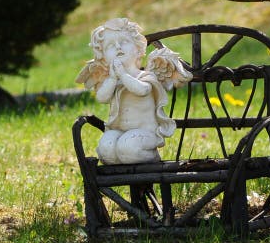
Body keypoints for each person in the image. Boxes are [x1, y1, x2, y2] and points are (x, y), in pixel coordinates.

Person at [76, 17, 191, 164]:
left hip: (146, 133)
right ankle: (124, 158)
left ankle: (152, 158)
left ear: (138, 50)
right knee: (106, 149)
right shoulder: (112, 80)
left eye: (124, 42)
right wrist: (112, 79)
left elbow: (142, 90)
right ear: (104, 58)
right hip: (120, 130)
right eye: (110, 45)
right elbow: (102, 98)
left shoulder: (146, 76)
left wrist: (123, 75)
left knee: (128, 148)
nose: (118, 47)